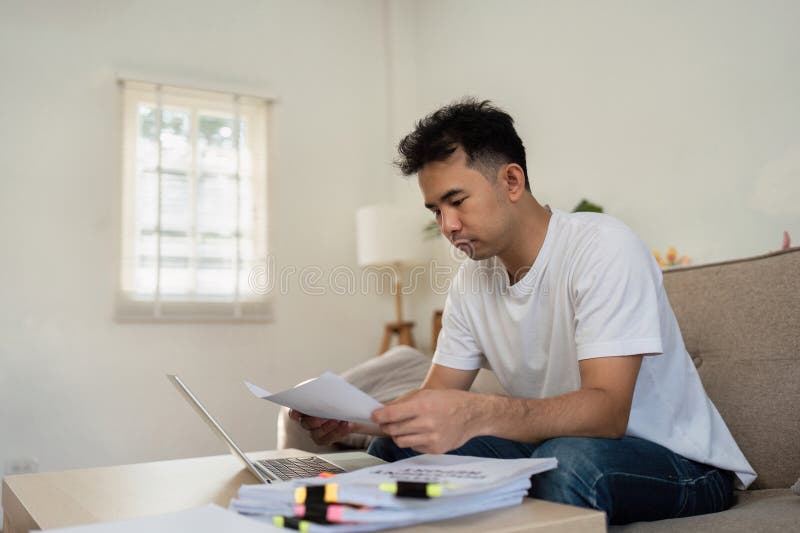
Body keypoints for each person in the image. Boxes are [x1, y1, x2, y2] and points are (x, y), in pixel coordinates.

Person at [290, 99, 755, 524]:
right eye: (435, 210)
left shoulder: (603, 247)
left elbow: (608, 413)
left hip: (676, 462)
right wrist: (354, 418)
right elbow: (435, 399)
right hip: (552, 448)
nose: (447, 226)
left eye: (457, 201)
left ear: (511, 181)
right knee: (397, 446)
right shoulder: (472, 282)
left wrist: (479, 413)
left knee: (571, 462)